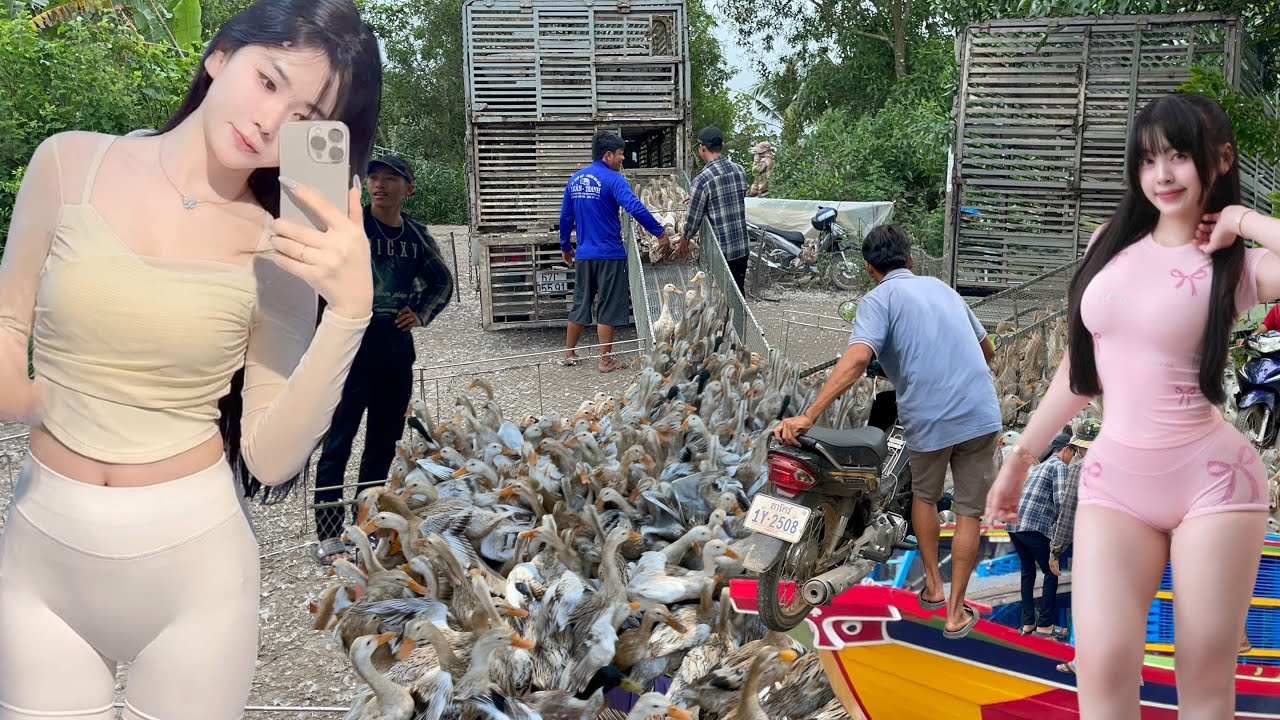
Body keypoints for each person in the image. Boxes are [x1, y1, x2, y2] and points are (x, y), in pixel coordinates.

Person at [0, 1, 381, 718]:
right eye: (268, 82)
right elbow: (8, 316)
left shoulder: (280, 247)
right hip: (41, 556)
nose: (270, 124)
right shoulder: (69, 162)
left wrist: (350, 313)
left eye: (304, 119)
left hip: (197, 572)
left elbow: (270, 459)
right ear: (220, 55)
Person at [986, 92, 1277, 716]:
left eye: (1178, 156)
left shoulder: (1236, 265)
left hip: (1213, 483)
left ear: (1221, 158)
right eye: (1147, 159)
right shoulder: (1109, 244)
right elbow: (1080, 371)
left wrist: (1242, 219)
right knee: (1100, 664)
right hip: (1115, 480)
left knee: (1203, 675)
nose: (1162, 175)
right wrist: (1021, 456)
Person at [775, 223, 1001, 639]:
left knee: (925, 497)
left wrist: (809, 415)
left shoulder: (878, 299)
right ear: (910, 259)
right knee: (969, 512)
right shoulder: (944, 290)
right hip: (980, 413)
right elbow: (988, 350)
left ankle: (932, 586)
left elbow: (858, 358)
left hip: (928, 417)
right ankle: (955, 613)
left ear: (868, 268)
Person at [311, 155, 453, 563]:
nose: (379, 185)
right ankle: (328, 533)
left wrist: (420, 312)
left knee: (381, 444)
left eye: (391, 178)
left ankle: (366, 525)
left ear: (409, 188)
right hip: (349, 349)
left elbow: (442, 281)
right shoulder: (351, 227)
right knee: (338, 441)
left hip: (394, 352)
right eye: (373, 177)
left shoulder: (416, 235)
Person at [559, 129, 666, 373]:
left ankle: (569, 353)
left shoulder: (575, 180)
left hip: (584, 255)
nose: (622, 158)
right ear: (608, 155)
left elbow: (565, 216)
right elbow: (634, 207)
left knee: (580, 303)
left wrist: (565, 246)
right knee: (607, 307)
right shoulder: (614, 180)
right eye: (620, 154)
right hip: (609, 254)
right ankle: (605, 360)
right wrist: (659, 232)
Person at [1010, 429, 1090, 639]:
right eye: (1073, 453)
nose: (1073, 458)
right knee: (1051, 571)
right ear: (1066, 449)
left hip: (1014, 527)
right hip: (1034, 526)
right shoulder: (1060, 467)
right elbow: (1062, 502)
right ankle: (1045, 625)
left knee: (1028, 572)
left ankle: (1028, 623)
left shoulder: (1039, 467)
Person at [681, 126, 750, 292]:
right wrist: (700, 198)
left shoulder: (702, 180)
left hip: (720, 252)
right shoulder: (739, 171)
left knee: (719, 295)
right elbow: (733, 197)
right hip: (741, 247)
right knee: (738, 293)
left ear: (702, 148)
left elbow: (693, 219)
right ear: (722, 145)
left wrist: (685, 238)